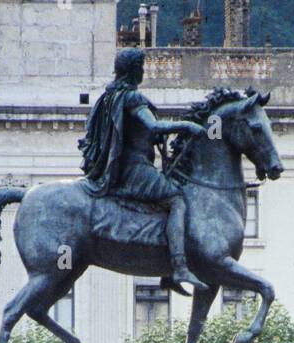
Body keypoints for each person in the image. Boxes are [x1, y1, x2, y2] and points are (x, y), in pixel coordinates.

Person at [78, 47, 207, 294]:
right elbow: (154, 126)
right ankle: (178, 267)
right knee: (177, 199)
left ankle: (167, 267)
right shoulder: (132, 98)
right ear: (135, 70)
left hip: (118, 167)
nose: (143, 73)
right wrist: (188, 126)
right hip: (134, 168)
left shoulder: (109, 96)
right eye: (141, 68)